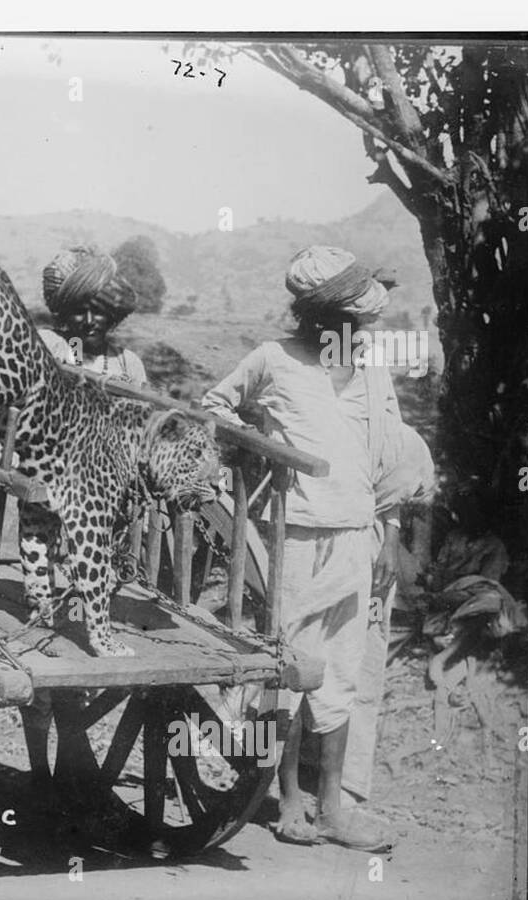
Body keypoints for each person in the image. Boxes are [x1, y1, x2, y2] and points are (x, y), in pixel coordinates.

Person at [201, 245, 432, 853]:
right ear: (316, 316)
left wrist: (388, 532)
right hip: (294, 537)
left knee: (344, 675)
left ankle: (333, 805)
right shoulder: (272, 360)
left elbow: (386, 457)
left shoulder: (371, 371)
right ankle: (289, 800)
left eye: (361, 324)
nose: (358, 333)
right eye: (348, 321)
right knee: (291, 669)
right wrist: (256, 448)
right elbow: (213, 409)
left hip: (356, 536)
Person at [39, 246, 148, 386]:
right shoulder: (49, 344)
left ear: (111, 314)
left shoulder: (128, 363)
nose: (89, 321)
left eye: (98, 311)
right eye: (78, 311)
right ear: (65, 313)